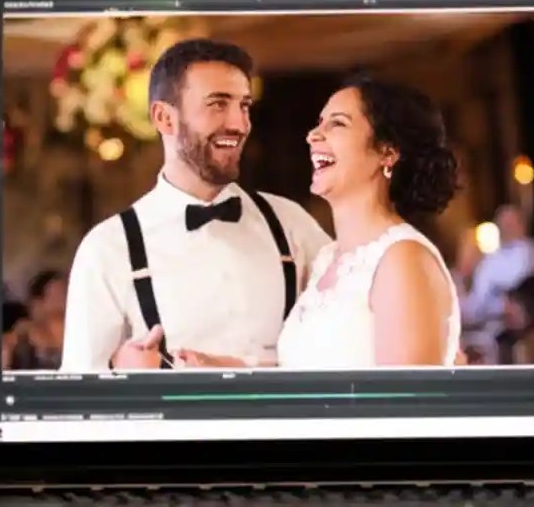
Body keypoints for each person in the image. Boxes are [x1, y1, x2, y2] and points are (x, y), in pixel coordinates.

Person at [60, 39, 332, 372]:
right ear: (164, 118)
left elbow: (343, 344)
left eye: (244, 105)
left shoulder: (291, 224)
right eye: (218, 104)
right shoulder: (108, 248)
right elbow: (81, 391)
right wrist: (122, 381)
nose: (239, 123)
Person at [177, 74, 462, 369]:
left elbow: (404, 405)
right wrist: (226, 369)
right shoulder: (327, 258)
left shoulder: (403, 259)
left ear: (387, 152)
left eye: (337, 123)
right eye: (319, 122)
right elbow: (312, 376)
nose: (313, 135)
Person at [459, 204, 534, 364]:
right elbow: (477, 302)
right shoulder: (490, 261)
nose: (506, 228)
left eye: (511, 223)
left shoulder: (533, 254)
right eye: (502, 224)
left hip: (527, 331)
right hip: (490, 330)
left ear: (522, 225)